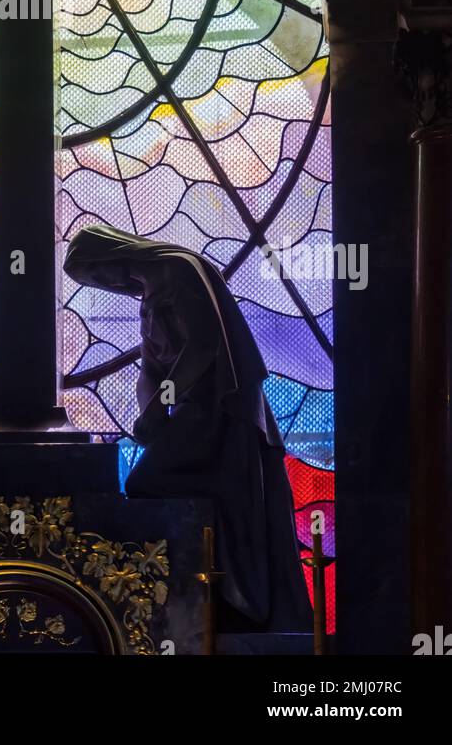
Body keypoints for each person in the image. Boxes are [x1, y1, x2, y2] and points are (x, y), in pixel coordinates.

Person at [64, 223, 311, 631]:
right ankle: (200, 597)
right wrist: (149, 416)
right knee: (157, 483)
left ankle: (213, 595)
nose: (103, 283)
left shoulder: (177, 269)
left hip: (220, 411)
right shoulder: (150, 295)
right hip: (192, 413)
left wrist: (162, 407)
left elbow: (204, 345)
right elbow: (151, 367)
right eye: (93, 282)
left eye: (95, 273)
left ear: (109, 252)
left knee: (151, 480)